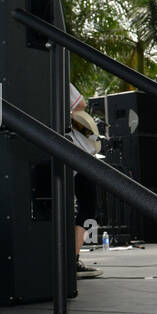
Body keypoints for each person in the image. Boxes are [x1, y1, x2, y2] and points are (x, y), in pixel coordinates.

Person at [69, 82, 102, 277]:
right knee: (88, 206)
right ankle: (72, 260)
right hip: (79, 154)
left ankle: (66, 258)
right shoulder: (56, 70)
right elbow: (79, 103)